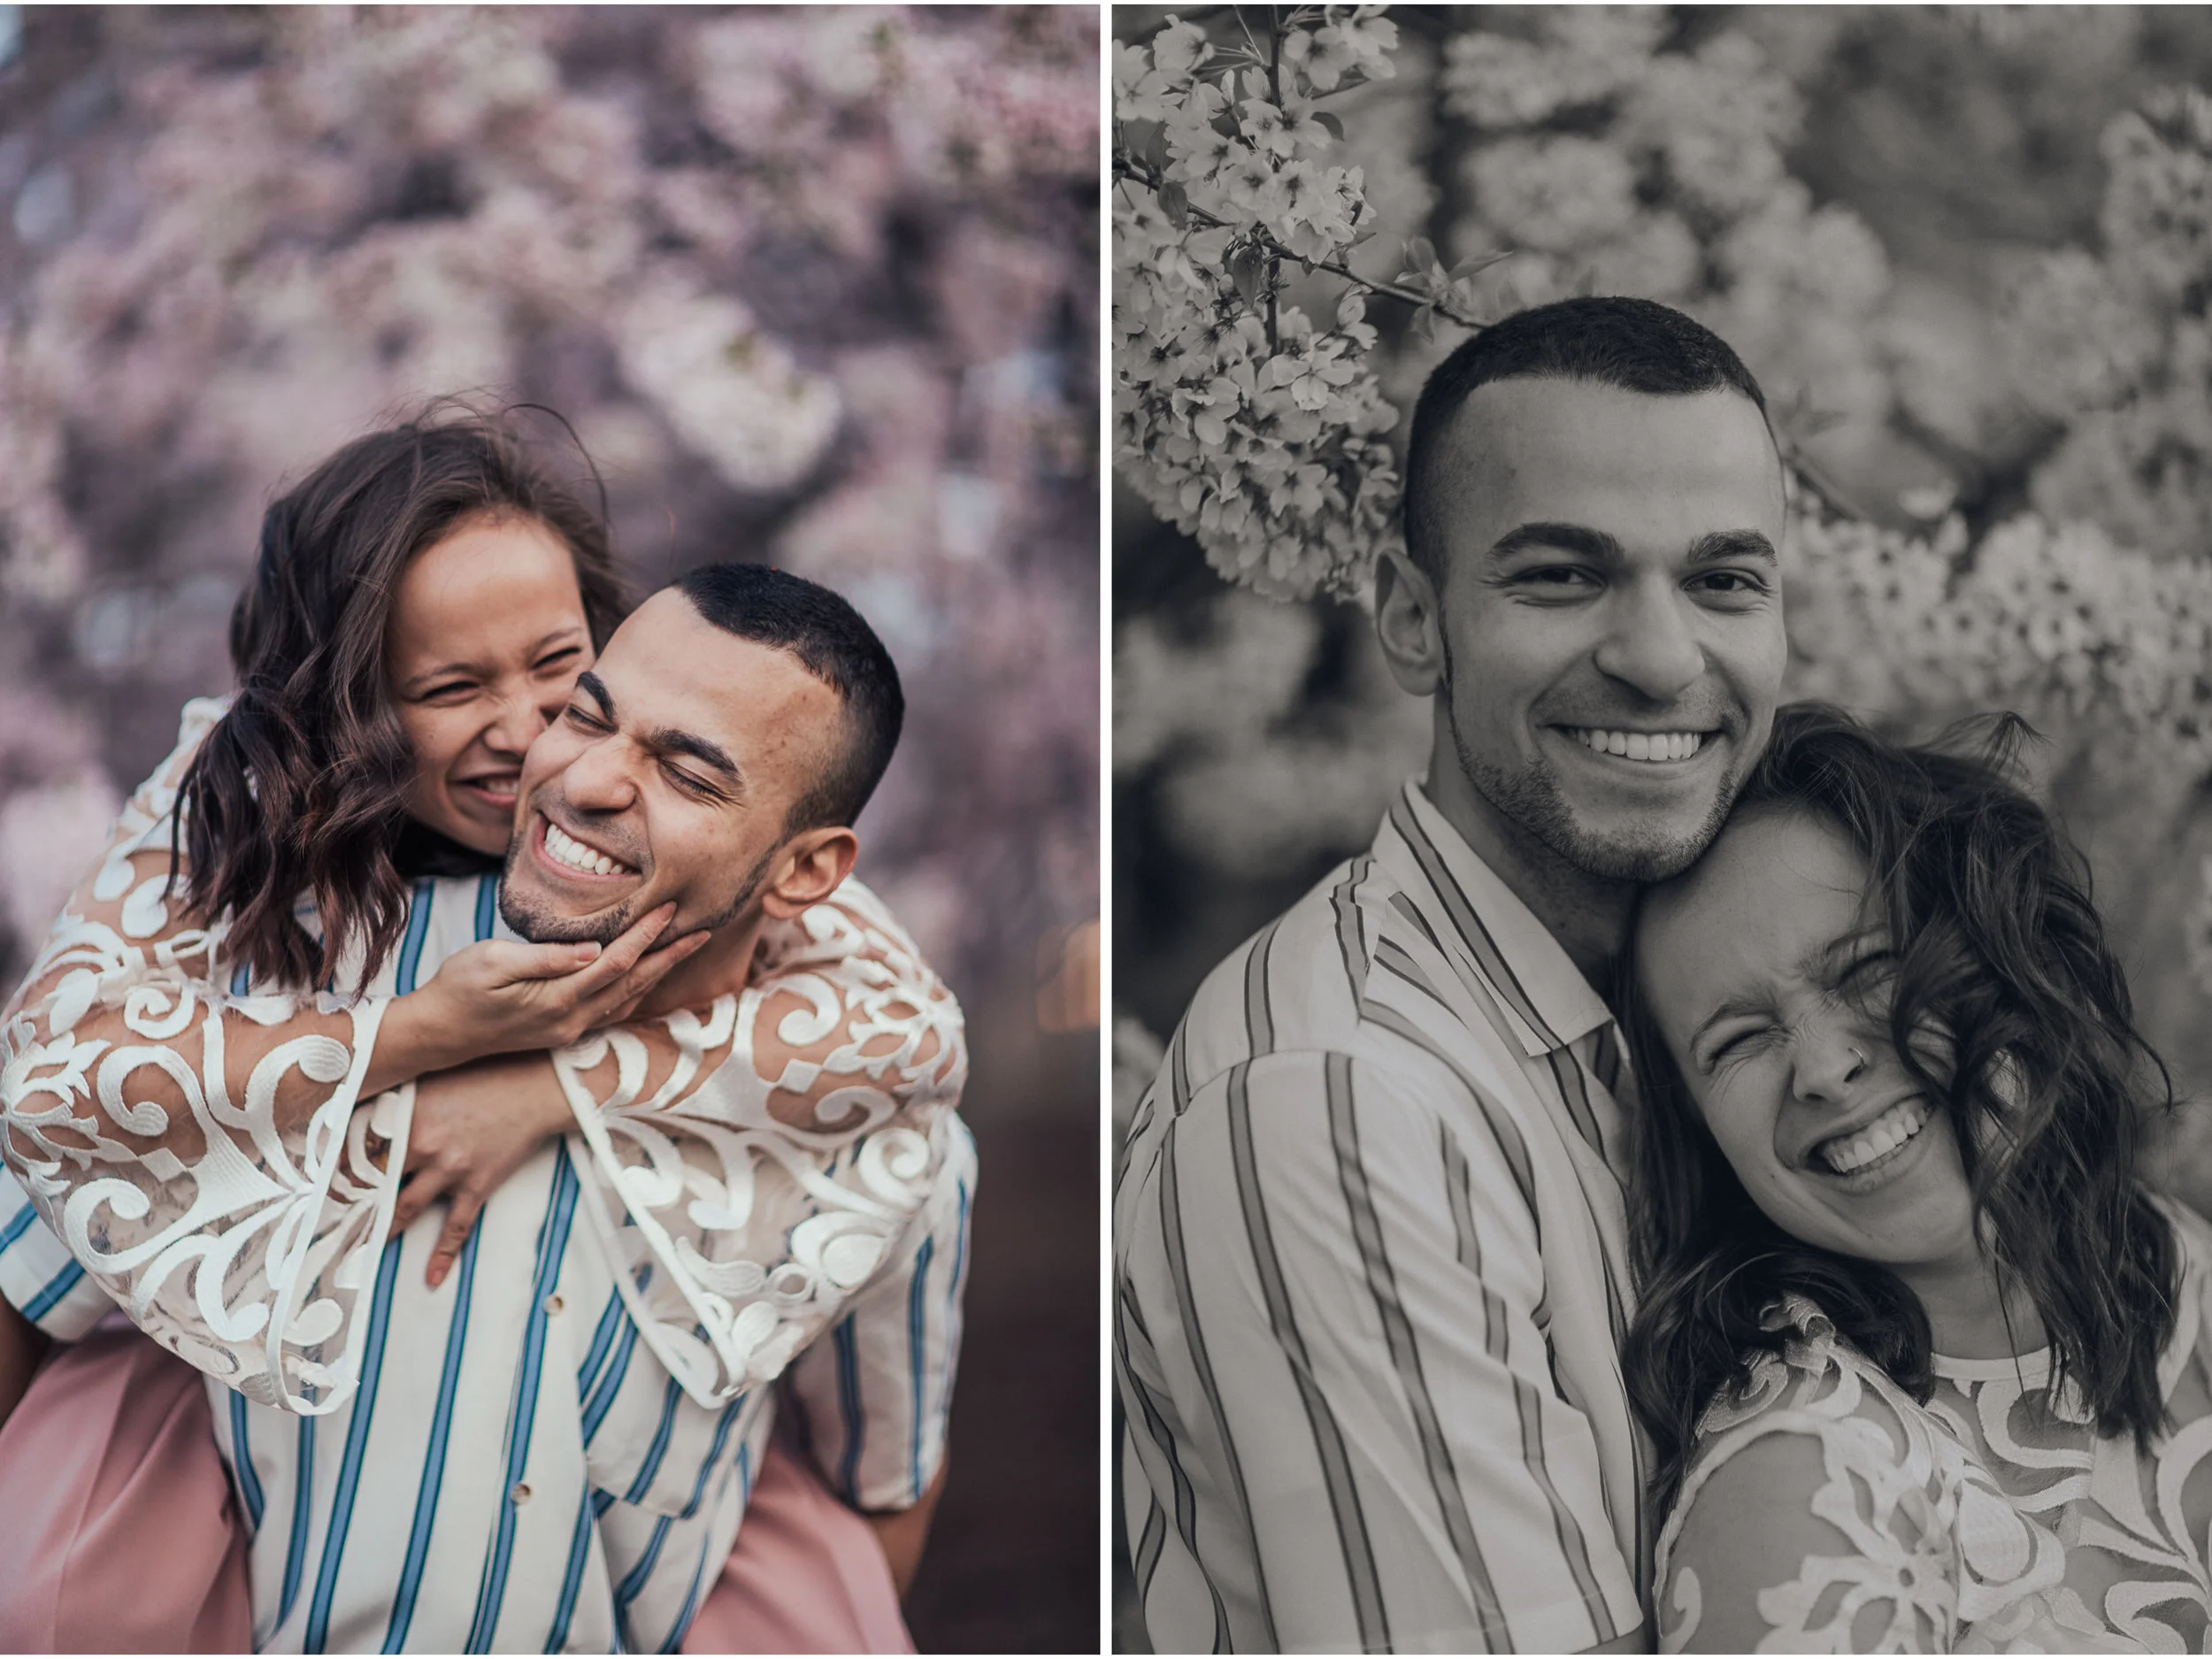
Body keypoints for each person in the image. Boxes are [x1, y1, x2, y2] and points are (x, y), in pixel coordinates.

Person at [0, 414, 972, 1652]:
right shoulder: (240, 895)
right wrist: (402, 1036)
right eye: (453, 687)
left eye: (559, 672)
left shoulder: (822, 1006)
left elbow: (916, 1040)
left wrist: (558, 1089)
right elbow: (46, 1134)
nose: (532, 738)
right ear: (341, 713)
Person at [1116, 295, 1790, 1651]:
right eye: (1562, 575)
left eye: (1723, 580)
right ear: (1412, 621)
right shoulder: (1340, 1103)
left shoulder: (1734, 1015)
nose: (1663, 659)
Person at [1623, 705, 2205, 1652]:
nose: (1819, 1066)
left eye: (1865, 969)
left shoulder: (2167, 1247)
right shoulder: (1803, 1497)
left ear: (1996, 950)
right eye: (1733, 1041)